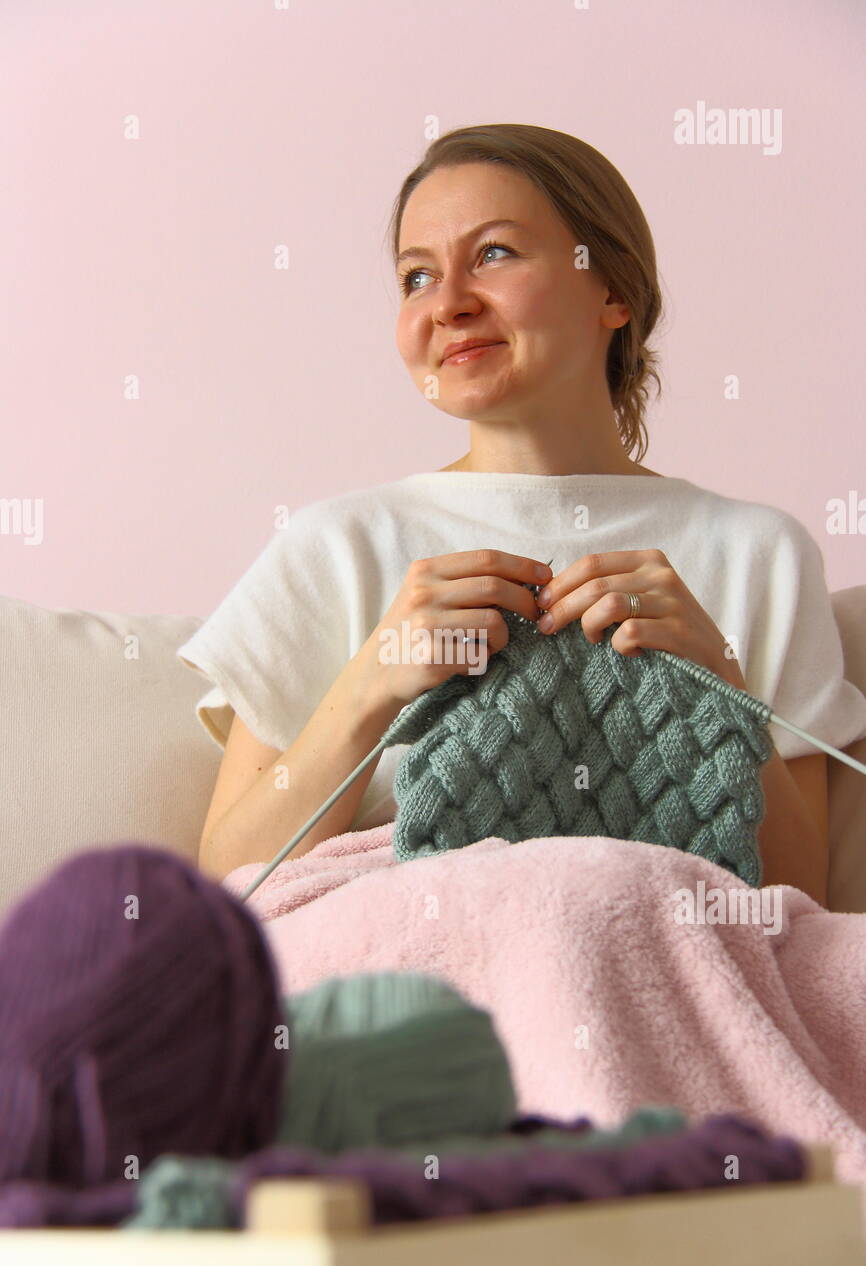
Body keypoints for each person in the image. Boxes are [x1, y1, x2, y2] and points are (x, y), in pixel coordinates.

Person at [177, 124, 866, 905]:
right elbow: (226, 887)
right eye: (415, 277)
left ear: (613, 290)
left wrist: (722, 681)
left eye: (494, 254)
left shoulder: (759, 556)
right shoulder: (335, 548)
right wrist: (370, 684)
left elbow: (802, 902)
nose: (448, 305)